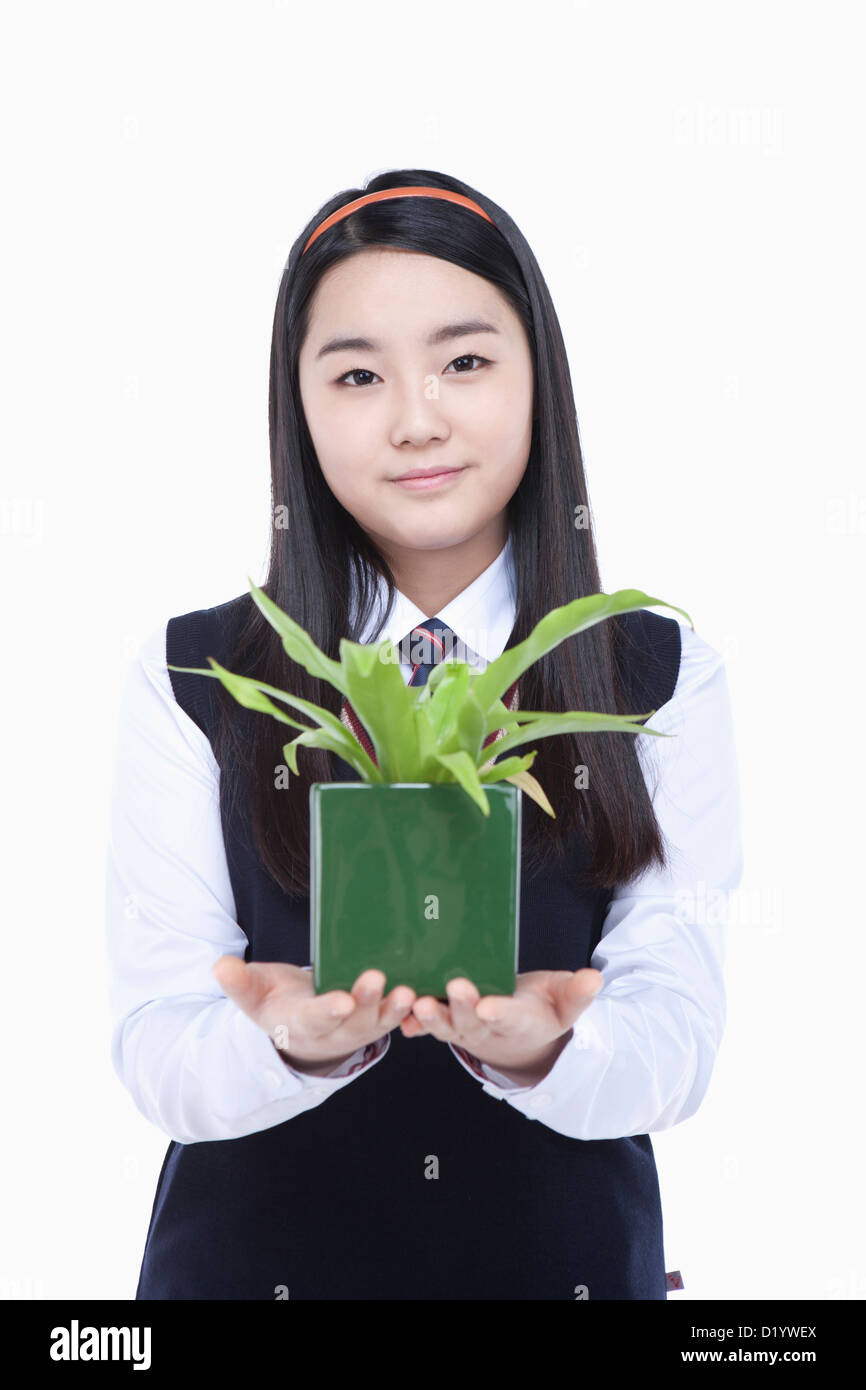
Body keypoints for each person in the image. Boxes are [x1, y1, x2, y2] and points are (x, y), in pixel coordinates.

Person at [106, 169, 743, 1300]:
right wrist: (294, 1044)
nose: (415, 419)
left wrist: (549, 1049)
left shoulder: (649, 675)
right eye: (356, 374)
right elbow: (159, 1043)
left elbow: (675, 1027)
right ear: (296, 406)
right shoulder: (199, 678)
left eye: (464, 361)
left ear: (536, 375)